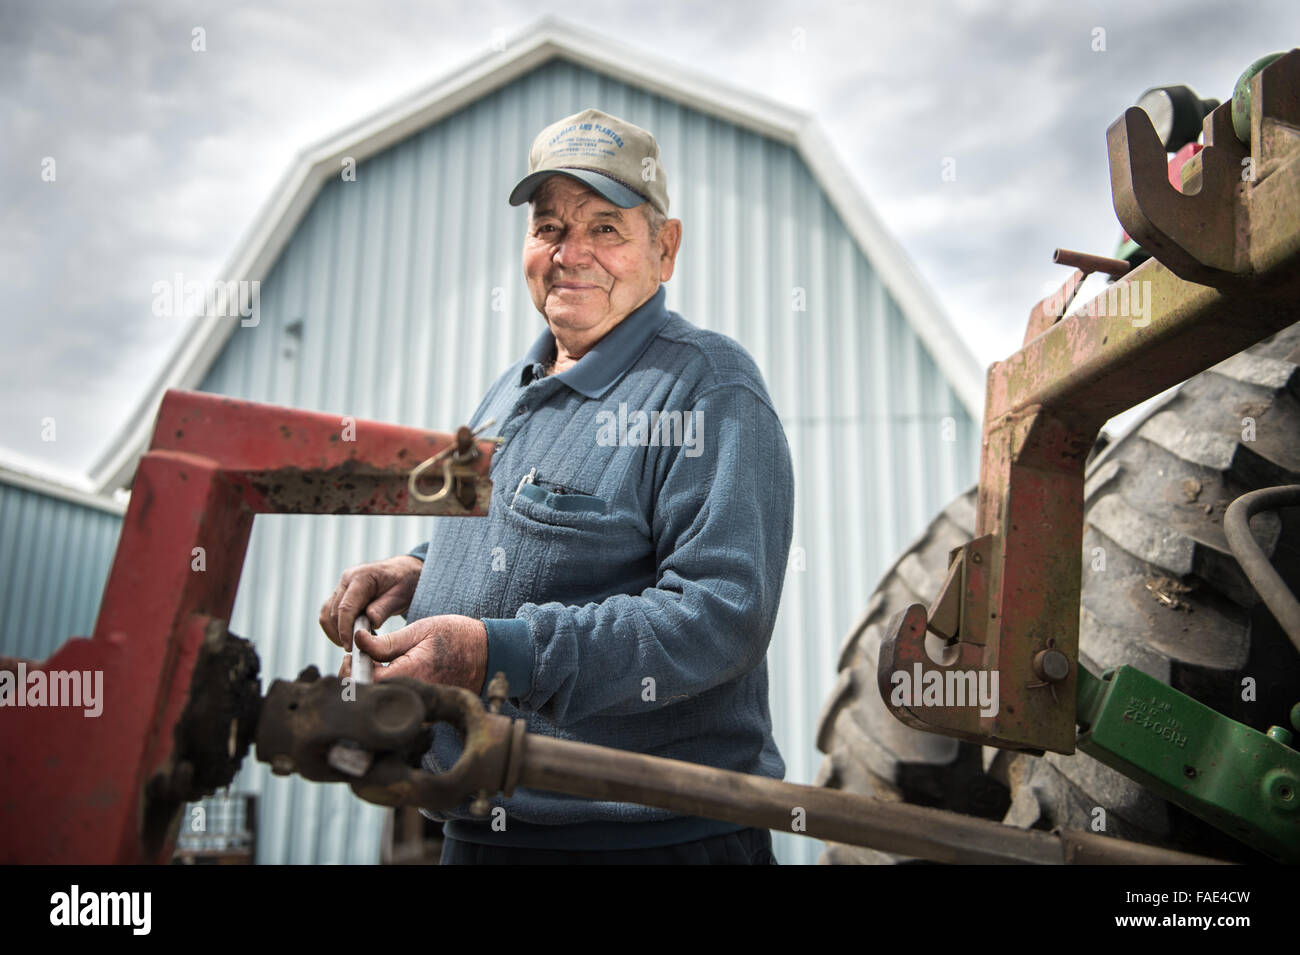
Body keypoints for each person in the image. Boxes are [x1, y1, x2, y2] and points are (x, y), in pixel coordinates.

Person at [319, 107, 794, 864]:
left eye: (605, 227)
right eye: (549, 228)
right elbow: (512, 529)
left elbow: (718, 617)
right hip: (480, 829)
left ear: (664, 249)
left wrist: (495, 653)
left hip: (645, 841)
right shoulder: (512, 387)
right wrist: (414, 571)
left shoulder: (707, 388)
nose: (572, 253)